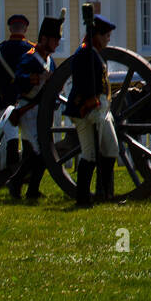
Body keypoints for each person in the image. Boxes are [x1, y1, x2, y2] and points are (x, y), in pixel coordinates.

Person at [3, 13, 65, 200]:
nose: (57, 44)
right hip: (28, 110)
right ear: (44, 39)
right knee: (42, 152)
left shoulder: (49, 60)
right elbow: (18, 81)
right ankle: (16, 183)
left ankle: (30, 190)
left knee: (39, 153)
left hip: (42, 111)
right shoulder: (29, 58)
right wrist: (37, 78)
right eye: (54, 40)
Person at [63, 13, 118, 207]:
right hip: (87, 110)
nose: (108, 39)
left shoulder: (92, 52)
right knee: (90, 155)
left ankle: (105, 193)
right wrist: (91, 104)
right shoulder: (84, 53)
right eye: (106, 35)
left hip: (101, 109)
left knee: (111, 149)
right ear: (96, 35)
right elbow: (82, 82)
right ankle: (83, 199)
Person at [0, 15, 33, 184]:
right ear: (24, 29)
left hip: (7, 100)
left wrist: (5, 92)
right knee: (28, 138)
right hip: (27, 101)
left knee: (11, 139)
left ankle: (12, 175)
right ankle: (27, 174)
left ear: (10, 29)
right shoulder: (31, 49)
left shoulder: (0, 50)